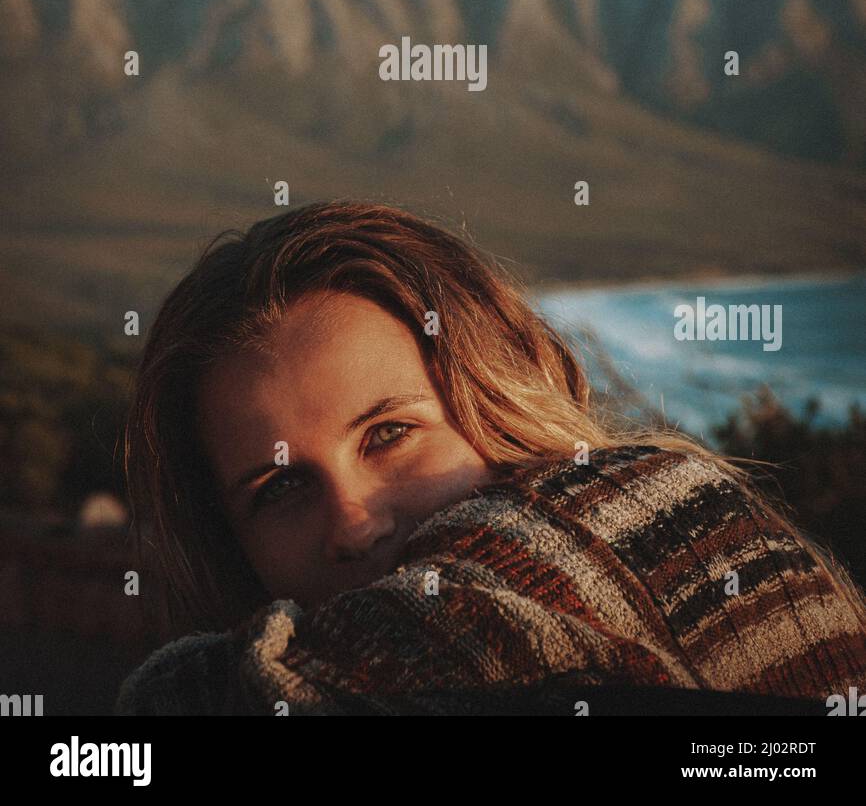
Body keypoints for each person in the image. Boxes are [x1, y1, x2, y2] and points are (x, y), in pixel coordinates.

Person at [114, 200, 866, 715]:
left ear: (495, 399)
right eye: (278, 488)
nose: (352, 524)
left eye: (388, 434)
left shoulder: (664, 513)